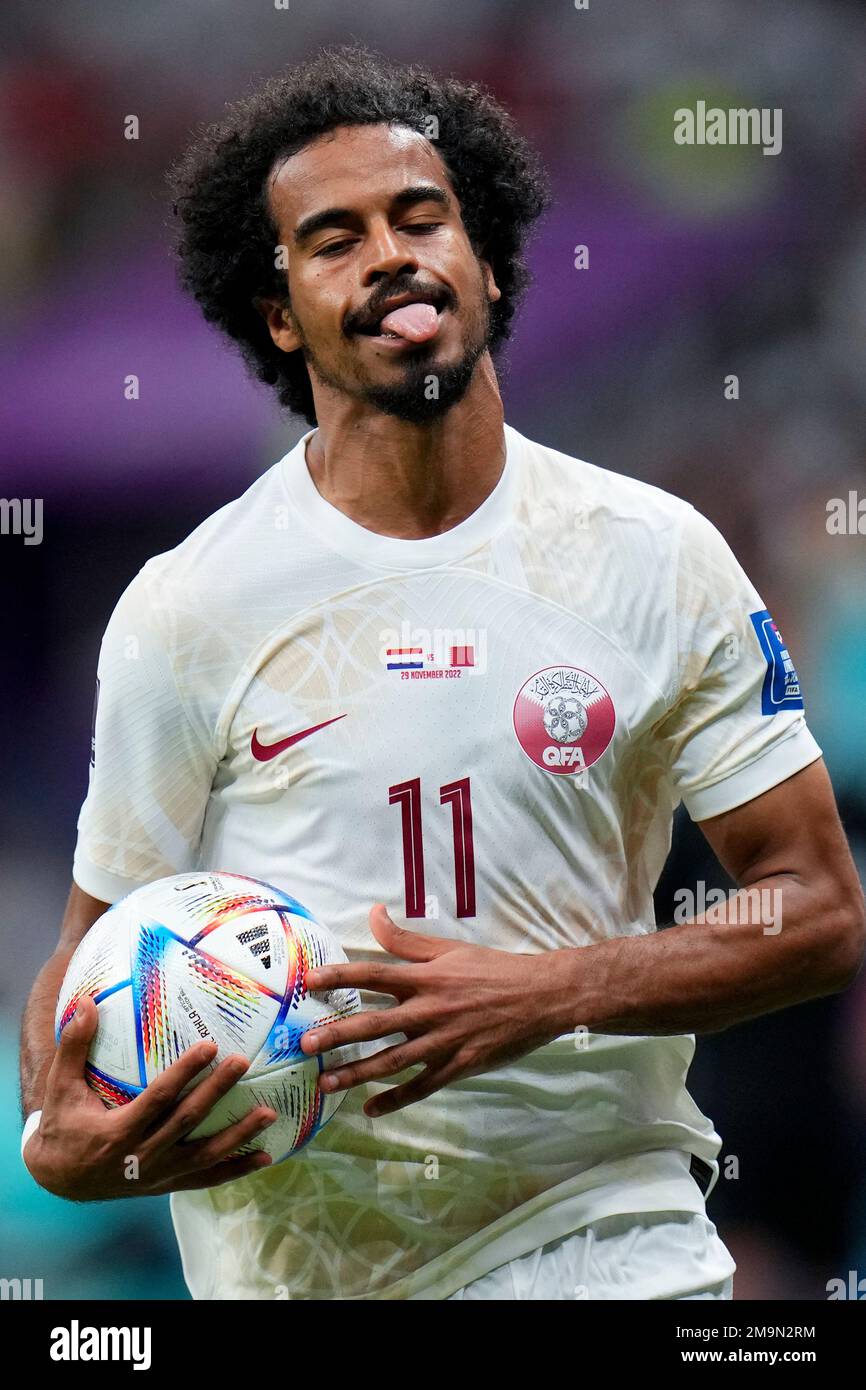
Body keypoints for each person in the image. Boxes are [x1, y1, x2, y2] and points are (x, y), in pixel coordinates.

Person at [19, 46, 865, 1301]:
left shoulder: (653, 554)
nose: (391, 255)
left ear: (486, 261)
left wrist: (546, 992)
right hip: (306, 1273)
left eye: (423, 218)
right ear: (276, 309)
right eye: (334, 237)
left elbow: (813, 904)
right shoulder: (188, 605)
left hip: (608, 1251)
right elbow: (90, 956)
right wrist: (66, 1134)